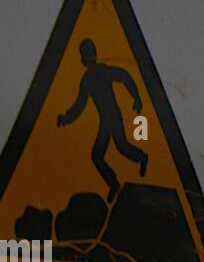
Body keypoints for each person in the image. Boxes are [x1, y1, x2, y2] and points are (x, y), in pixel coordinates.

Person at [57, 38, 149, 202]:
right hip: (105, 121)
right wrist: (66, 118)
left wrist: (136, 96)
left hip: (113, 116)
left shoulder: (102, 71)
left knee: (120, 148)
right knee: (98, 155)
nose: (82, 58)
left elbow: (124, 75)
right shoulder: (86, 80)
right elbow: (80, 104)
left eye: (83, 55)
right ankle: (114, 183)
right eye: (81, 55)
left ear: (90, 55)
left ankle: (141, 158)